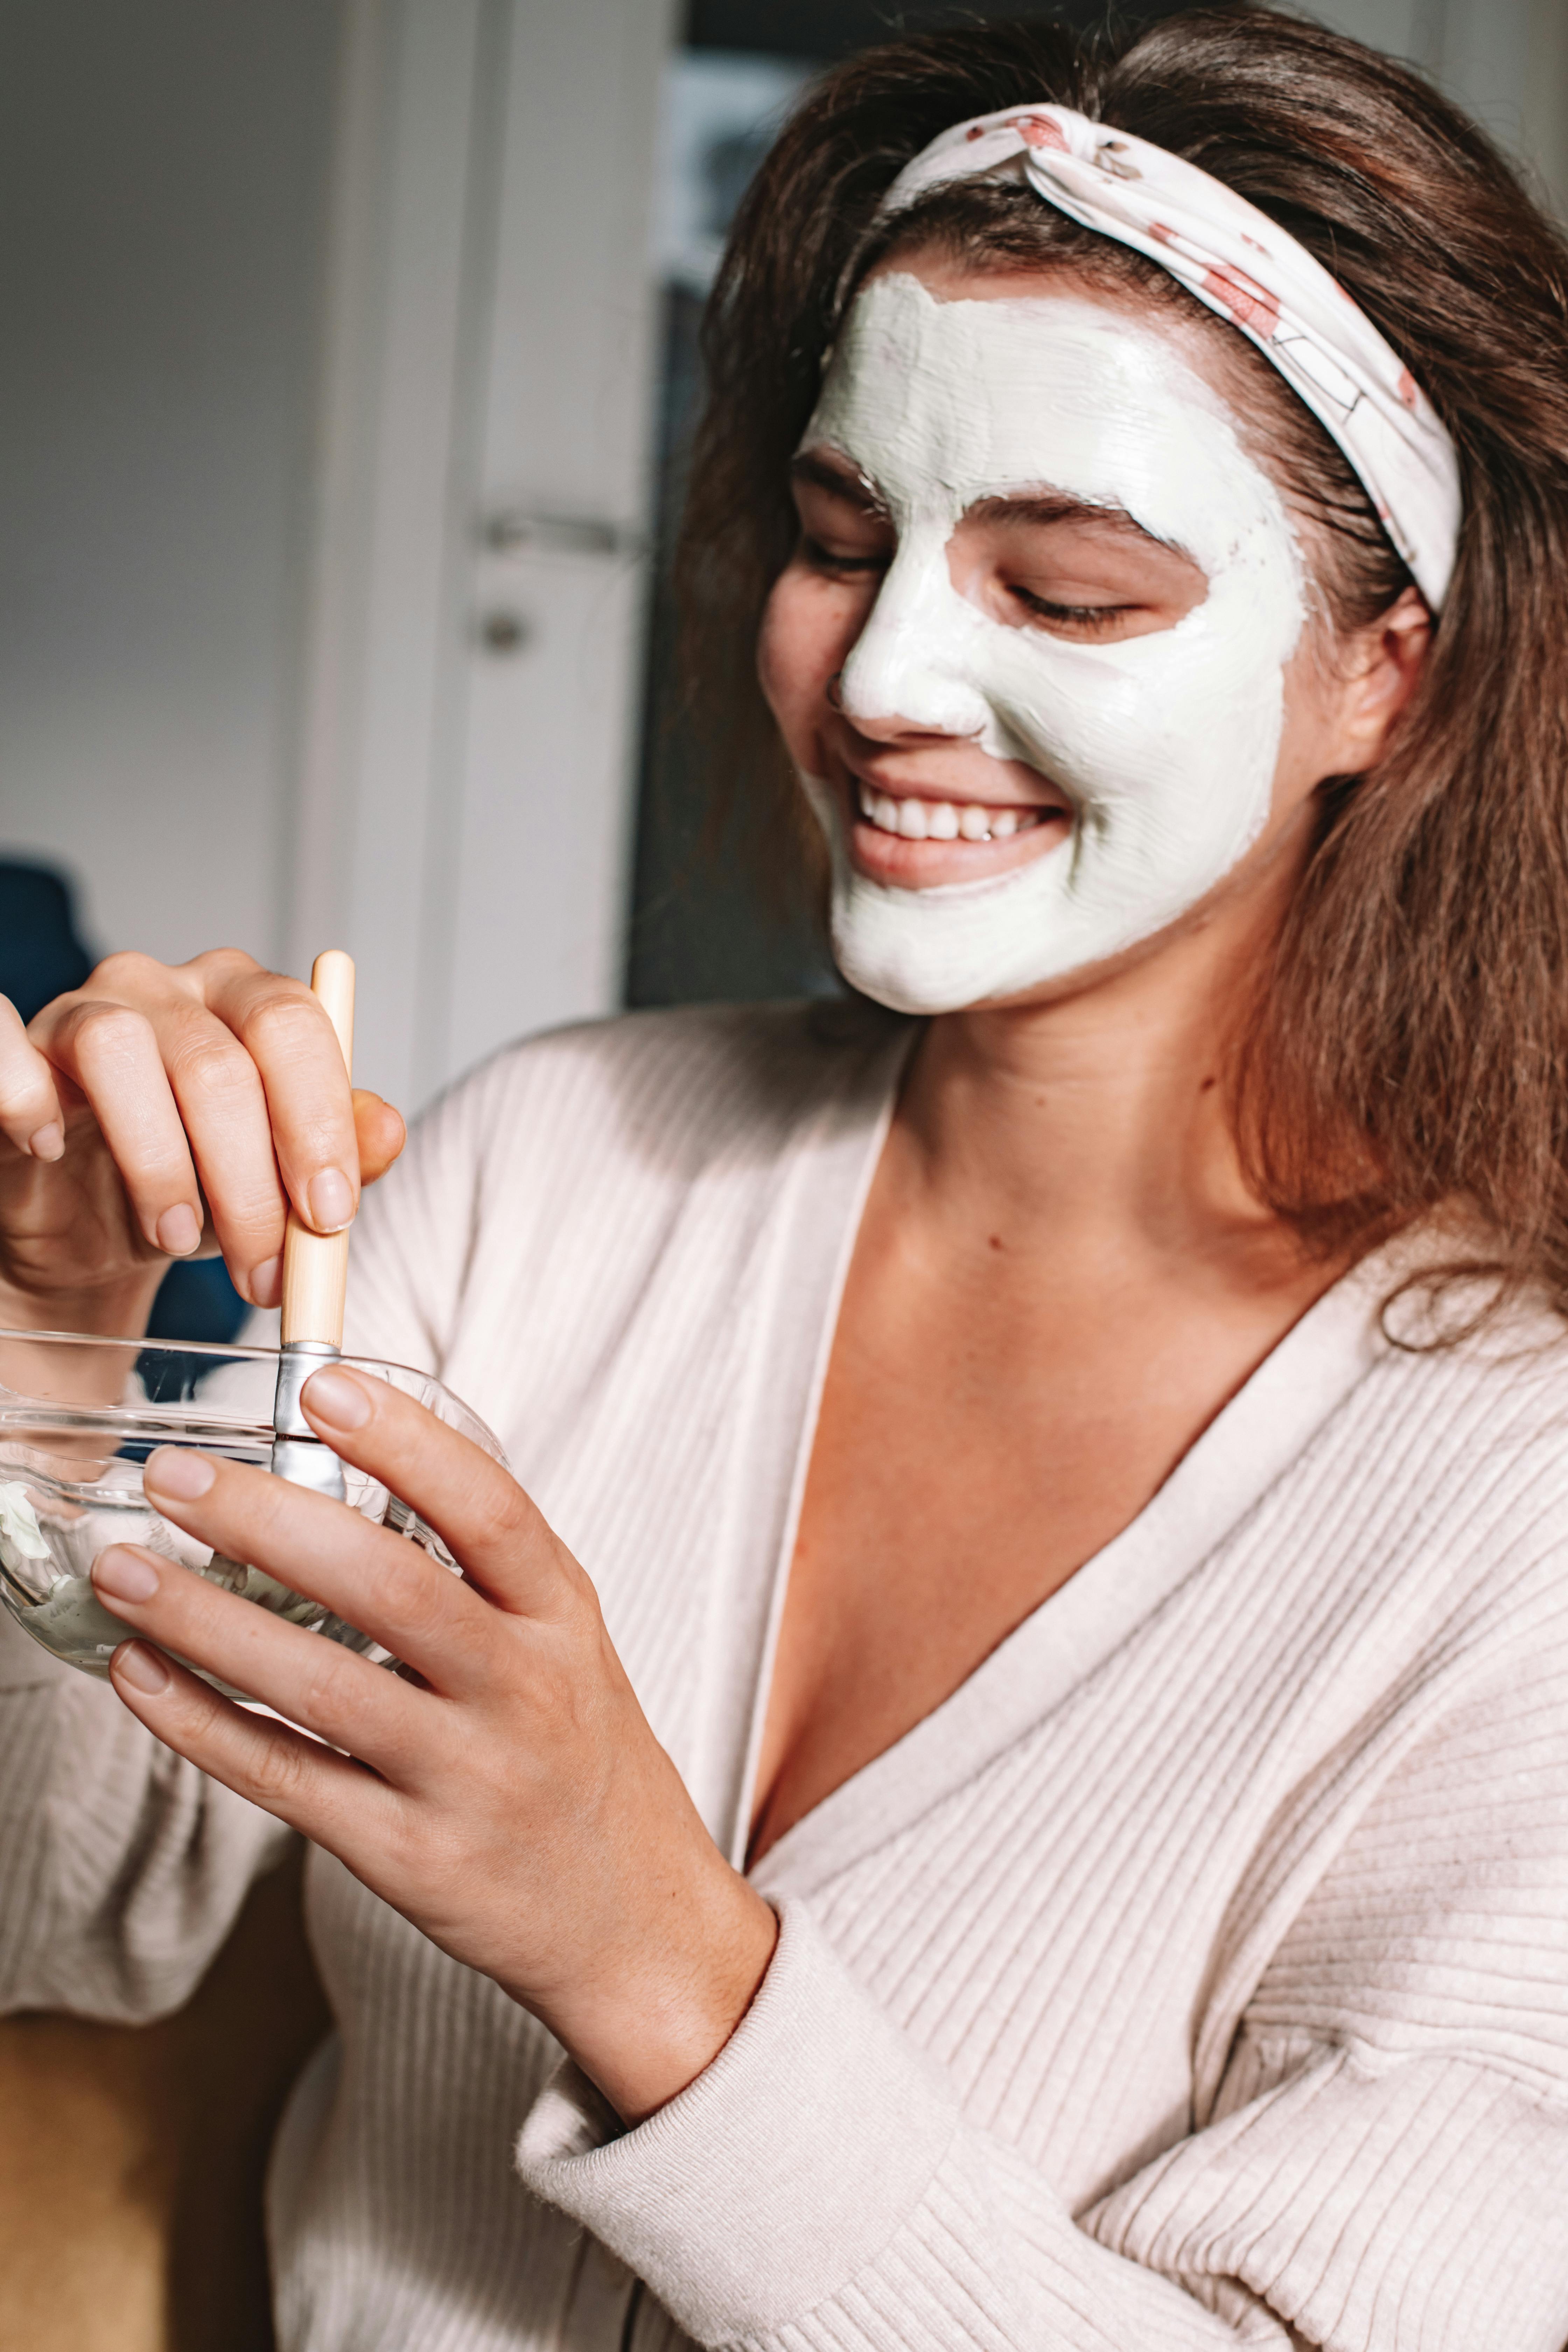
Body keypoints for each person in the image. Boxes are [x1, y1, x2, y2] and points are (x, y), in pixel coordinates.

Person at [2, 6, 1567, 2344]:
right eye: (846, 539)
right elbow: (64, 1914)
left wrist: (653, 1952)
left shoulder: (1513, 1509)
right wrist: (47, 1337)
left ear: (1387, 680)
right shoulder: (557, 1167)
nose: (886, 677)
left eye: (1069, 589)